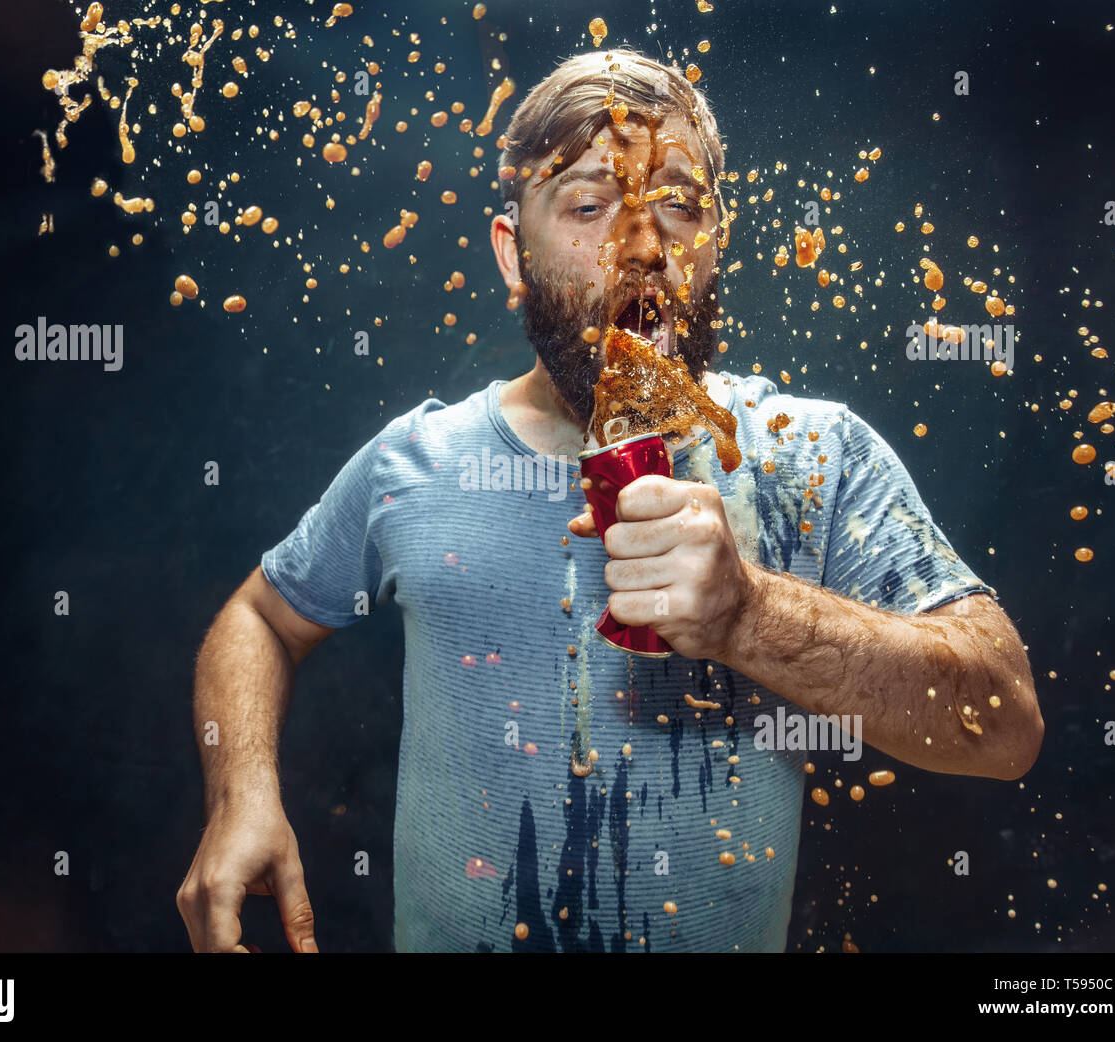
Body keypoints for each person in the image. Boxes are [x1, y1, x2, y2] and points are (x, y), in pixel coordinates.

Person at [176, 49, 1044, 954]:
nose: (642, 247)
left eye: (678, 202)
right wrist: (241, 794)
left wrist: (750, 615)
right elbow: (261, 620)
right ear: (514, 251)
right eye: (590, 205)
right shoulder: (418, 463)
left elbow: (1005, 723)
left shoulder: (809, 455)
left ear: (717, 235)